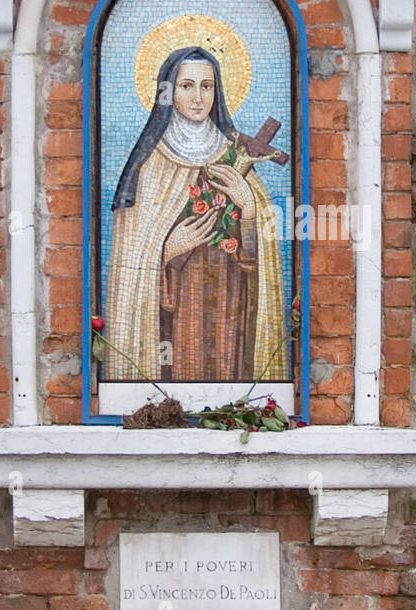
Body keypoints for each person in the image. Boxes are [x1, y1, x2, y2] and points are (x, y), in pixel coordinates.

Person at [104, 45, 286, 383]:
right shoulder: (150, 165)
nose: (199, 97)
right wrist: (165, 251)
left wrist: (248, 208)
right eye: (187, 86)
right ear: (169, 92)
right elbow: (129, 261)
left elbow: (260, 255)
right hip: (174, 310)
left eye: (207, 86)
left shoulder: (236, 156)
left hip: (230, 304)